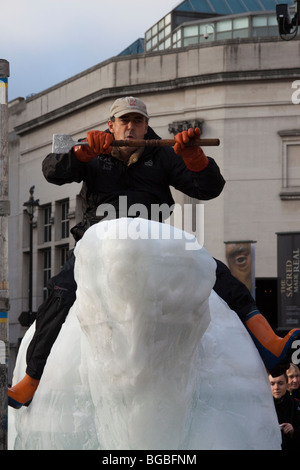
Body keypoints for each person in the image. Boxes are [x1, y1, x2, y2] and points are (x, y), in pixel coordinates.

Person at [8, 96, 300, 409]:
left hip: (154, 241)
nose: (130, 127)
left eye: (137, 121)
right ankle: (32, 378)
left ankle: (270, 345)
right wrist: (80, 153)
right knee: (60, 290)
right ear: (112, 124)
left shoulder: (163, 153)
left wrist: (195, 158)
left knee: (219, 275)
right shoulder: (93, 148)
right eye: (124, 121)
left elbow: (209, 188)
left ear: (146, 125)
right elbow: (52, 170)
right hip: (98, 242)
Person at [269, 372, 300, 450]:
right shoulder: (262, 406)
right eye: (272, 384)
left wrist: (294, 430)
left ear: (287, 385)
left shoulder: (296, 405)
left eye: (280, 383)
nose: (276, 387)